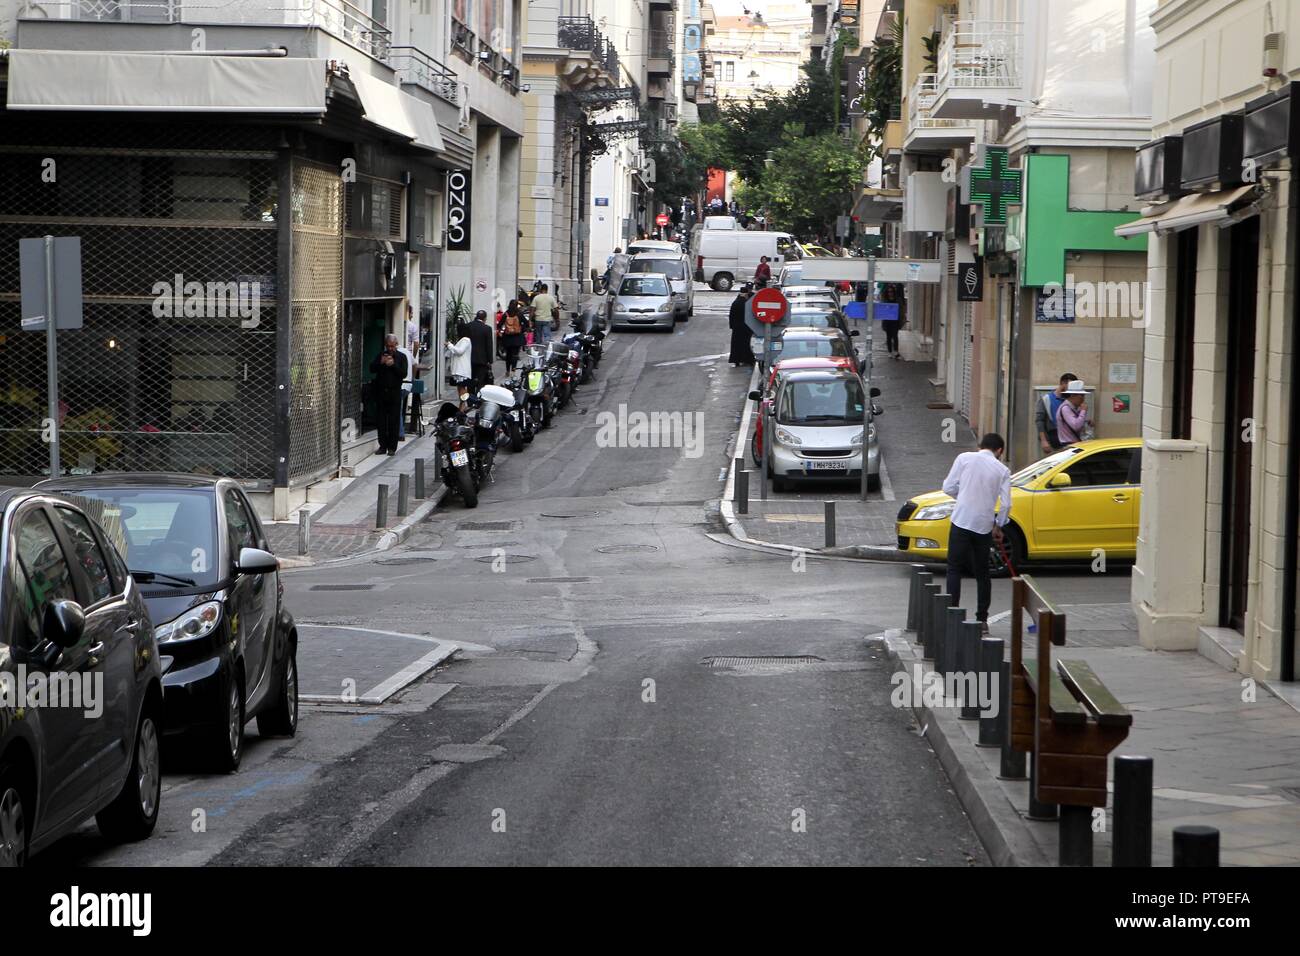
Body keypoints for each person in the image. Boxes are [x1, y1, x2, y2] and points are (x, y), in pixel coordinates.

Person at [942, 433, 1012, 633]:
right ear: (999, 451)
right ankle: (982, 620)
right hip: (983, 525)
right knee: (982, 573)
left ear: (980, 445)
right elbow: (1006, 503)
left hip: (961, 520)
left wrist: (963, 495)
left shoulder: (964, 458)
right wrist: (999, 525)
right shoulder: (1002, 470)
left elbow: (948, 487)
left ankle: (951, 614)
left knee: (954, 568)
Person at [369, 333, 408, 456]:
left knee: (393, 421)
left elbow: (403, 373)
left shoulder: (401, 357)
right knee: (381, 421)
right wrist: (381, 363)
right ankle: (382, 446)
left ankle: (392, 447)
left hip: (395, 393)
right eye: (388, 346)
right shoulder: (381, 355)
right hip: (381, 393)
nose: (390, 349)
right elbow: (372, 369)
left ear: (396, 345)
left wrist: (393, 365)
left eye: (392, 346)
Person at [1035, 372, 1076, 453]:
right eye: (1071, 386)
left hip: (1068, 440)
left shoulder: (1070, 399)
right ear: (1063, 383)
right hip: (1052, 439)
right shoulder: (1046, 399)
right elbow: (1039, 421)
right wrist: (1044, 440)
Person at [445, 322, 473, 409]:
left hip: (462, 370)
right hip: (460, 370)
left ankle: (463, 407)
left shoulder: (465, 340)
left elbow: (459, 351)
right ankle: (462, 407)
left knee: (462, 390)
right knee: (461, 389)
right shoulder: (463, 340)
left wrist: (449, 345)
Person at [466, 309, 494, 393]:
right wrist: (490, 360)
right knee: (481, 381)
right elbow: (489, 345)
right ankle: (478, 399)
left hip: (469, 358)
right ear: (485, 318)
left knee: (470, 380)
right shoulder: (487, 328)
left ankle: (470, 399)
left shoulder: (468, 326)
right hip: (482, 359)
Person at [1056, 379, 1091, 445]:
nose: (1083, 399)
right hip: (1068, 444)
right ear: (1072, 395)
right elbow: (1076, 426)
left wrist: (1086, 421)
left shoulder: (1072, 408)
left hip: (1073, 443)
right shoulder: (1065, 408)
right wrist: (1083, 411)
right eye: (1081, 396)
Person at [728, 283, 755, 367]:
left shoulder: (735, 302)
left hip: (737, 328)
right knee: (746, 344)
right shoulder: (747, 303)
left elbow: (731, 315)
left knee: (736, 345)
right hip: (746, 328)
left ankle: (736, 360)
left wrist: (732, 326)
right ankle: (747, 359)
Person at [498, 299, 528, 374]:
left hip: (507, 337)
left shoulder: (506, 314)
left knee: (508, 354)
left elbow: (499, 324)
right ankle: (513, 370)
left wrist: (502, 331)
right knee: (515, 354)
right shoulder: (519, 314)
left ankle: (507, 370)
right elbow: (526, 323)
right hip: (517, 337)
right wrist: (522, 328)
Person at [530, 283, 558, 347]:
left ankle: (539, 348)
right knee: (547, 335)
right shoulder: (551, 298)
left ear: (540, 289)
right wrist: (557, 319)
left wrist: (530, 320)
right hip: (547, 319)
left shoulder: (536, 298)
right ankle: (546, 349)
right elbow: (556, 309)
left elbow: (532, 310)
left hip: (538, 319)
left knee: (538, 335)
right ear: (547, 290)